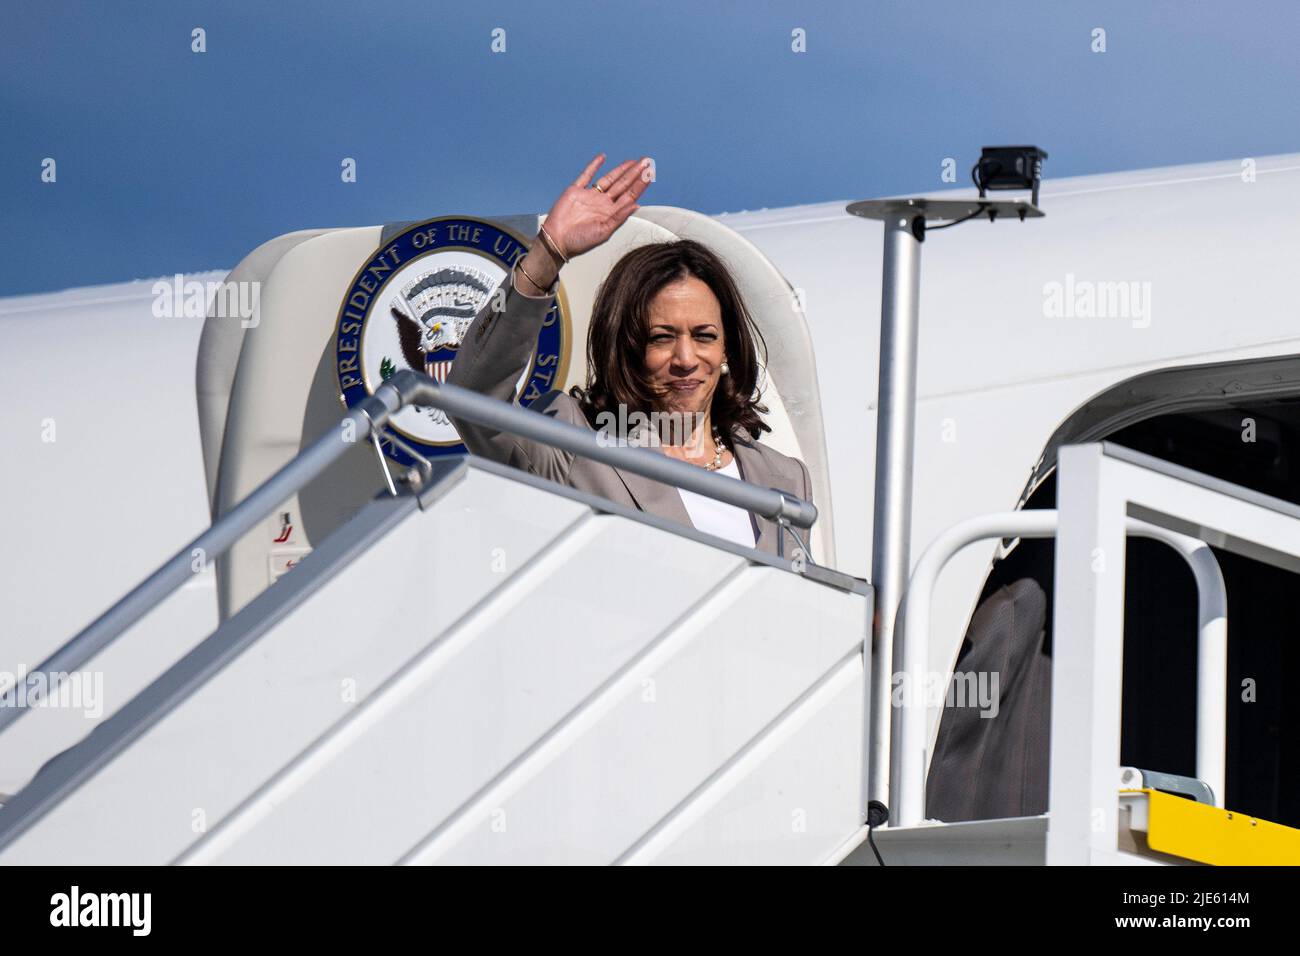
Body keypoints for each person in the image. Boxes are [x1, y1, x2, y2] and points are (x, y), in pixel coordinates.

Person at [447, 153, 813, 557]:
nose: (686, 358)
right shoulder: (576, 442)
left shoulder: (785, 479)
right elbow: (473, 398)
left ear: (727, 347)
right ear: (628, 348)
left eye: (705, 335)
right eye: (661, 337)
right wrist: (547, 255)